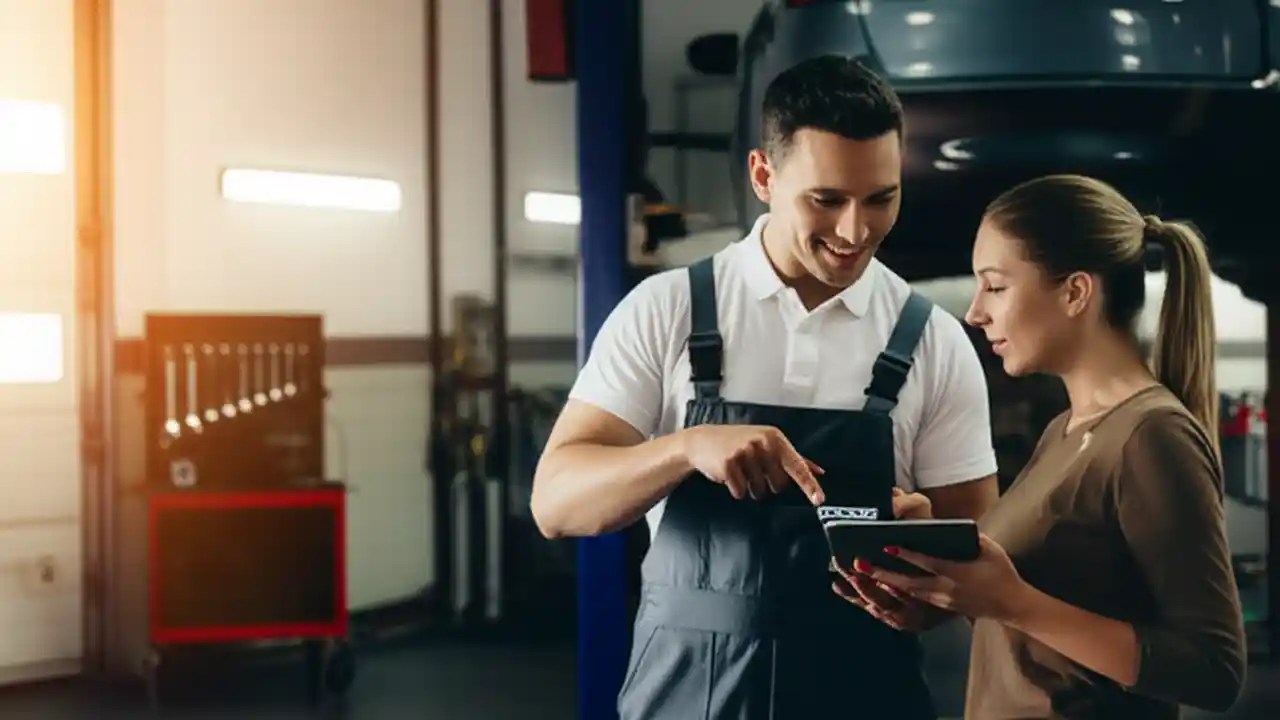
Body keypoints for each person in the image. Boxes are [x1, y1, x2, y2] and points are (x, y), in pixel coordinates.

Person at [531, 55, 999, 719]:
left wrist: (926, 582)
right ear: (763, 175)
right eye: (826, 199)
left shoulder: (931, 340)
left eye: (881, 198)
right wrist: (685, 449)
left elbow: (981, 567)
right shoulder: (668, 311)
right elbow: (557, 505)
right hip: (687, 698)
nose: (855, 230)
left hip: (865, 695)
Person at [847, 174, 1247, 718]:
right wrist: (941, 582)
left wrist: (1014, 603)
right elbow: (1041, 623)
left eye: (995, 285)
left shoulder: (1152, 436)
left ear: (1075, 292)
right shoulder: (1065, 429)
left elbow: (1212, 669)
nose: (975, 312)